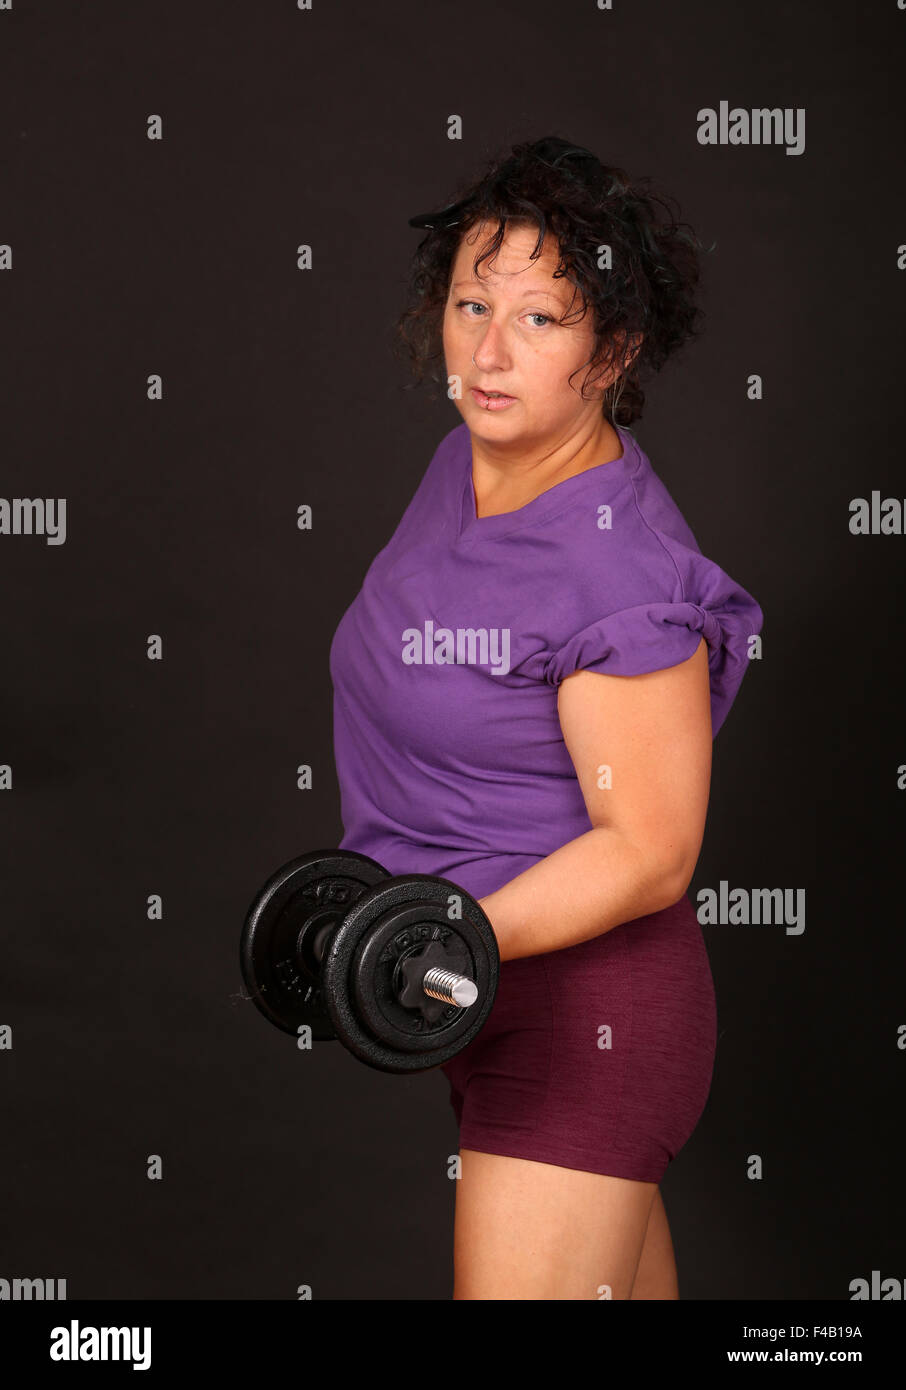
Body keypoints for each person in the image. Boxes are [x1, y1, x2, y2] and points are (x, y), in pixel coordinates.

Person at [329, 136, 763, 1300]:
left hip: (589, 1020)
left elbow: (651, 850)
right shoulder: (464, 465)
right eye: (473, 303)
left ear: (612, 349)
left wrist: (438, 926)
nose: (488, 348)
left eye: (539, 319)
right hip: (470, 992)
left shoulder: (618, 570)